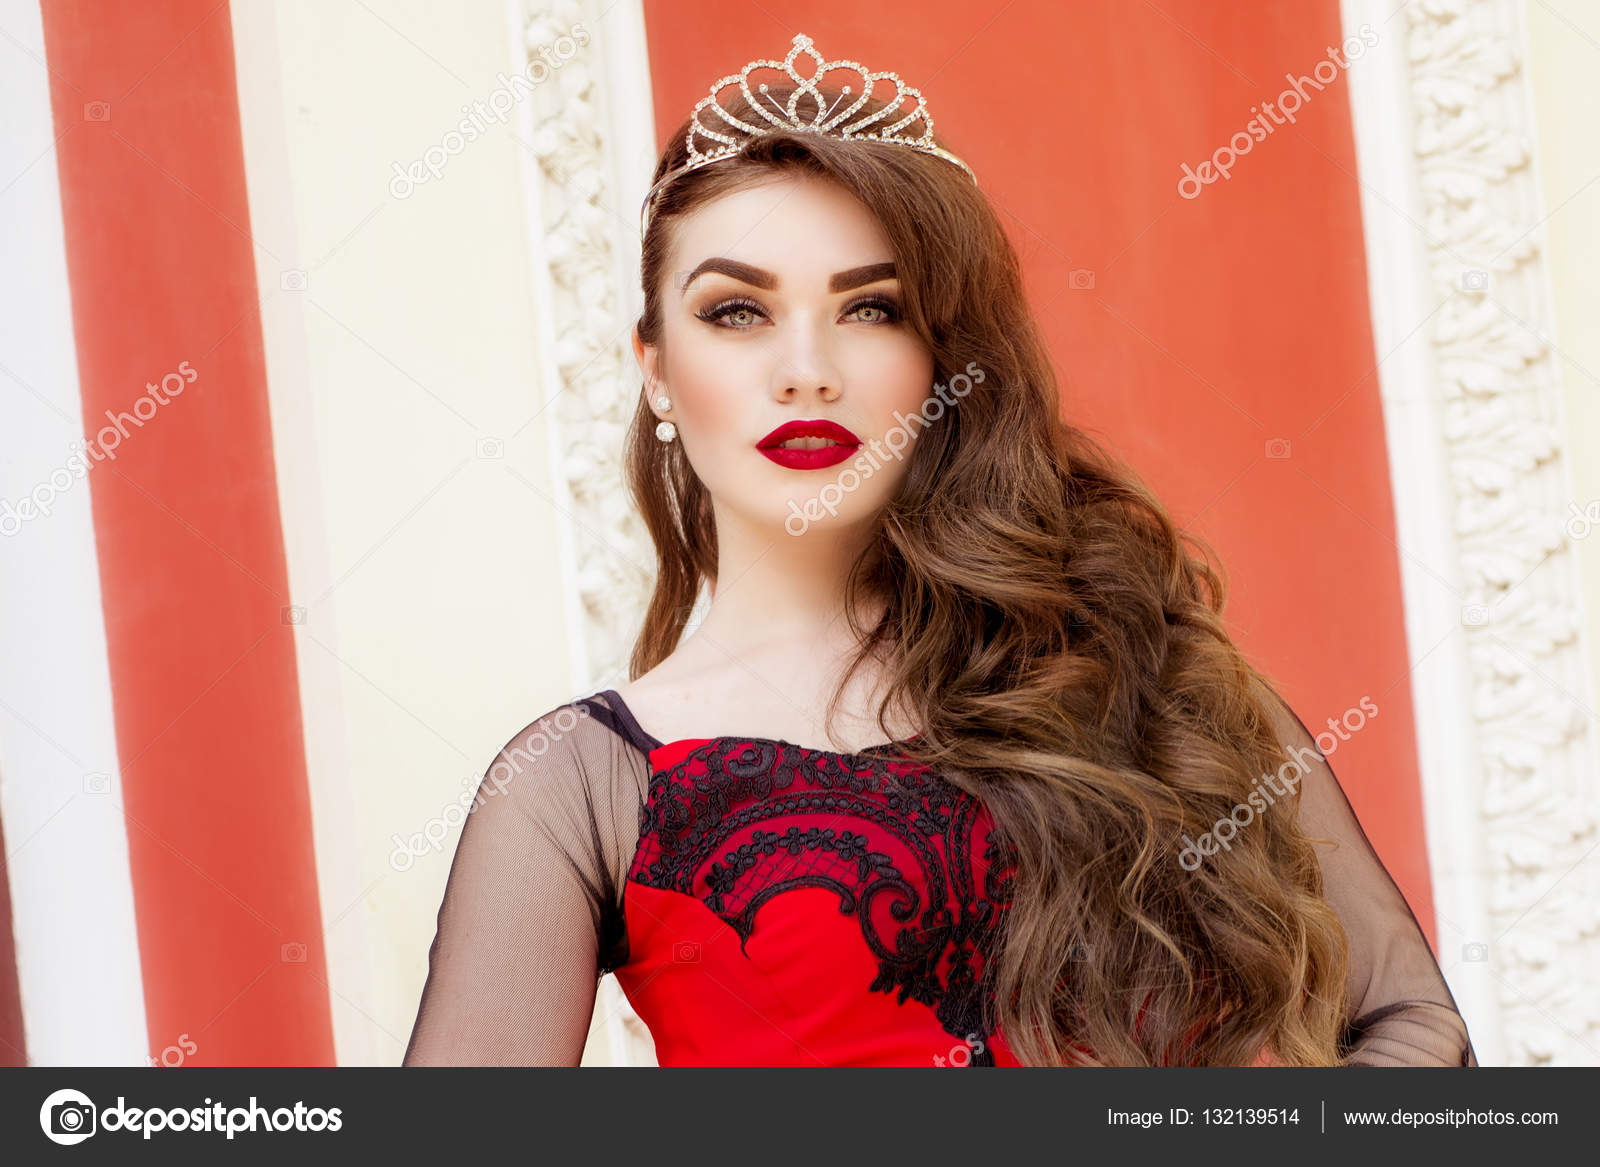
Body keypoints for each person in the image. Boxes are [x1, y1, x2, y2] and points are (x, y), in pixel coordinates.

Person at [402, 33, 1476, 1067]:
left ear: (941, 359)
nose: (807, 369)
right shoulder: (581, 788)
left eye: (871, 308)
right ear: (654, 369)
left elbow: (1417, 1034)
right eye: (736, 312)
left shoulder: (1150, 672)